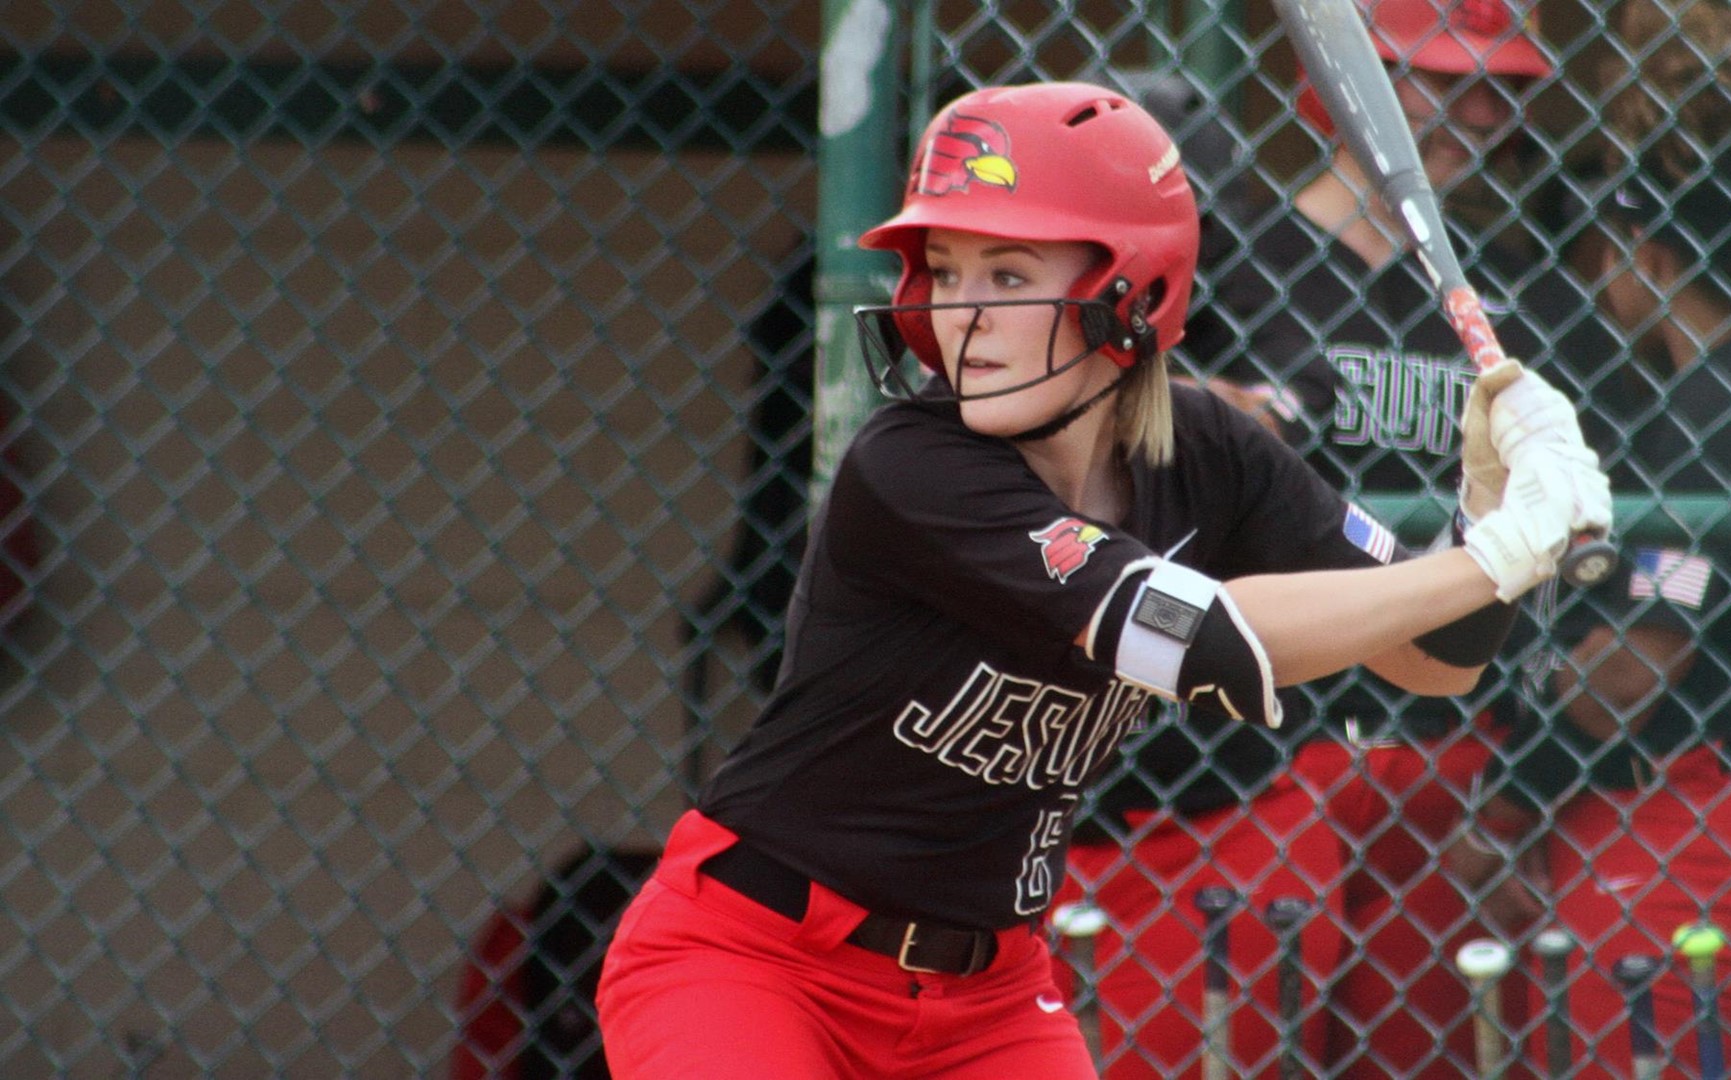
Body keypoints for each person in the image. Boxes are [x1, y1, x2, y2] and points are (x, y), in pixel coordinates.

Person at [593, 79, 1610, 1078]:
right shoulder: (914, 463)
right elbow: (1201, 638)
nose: (963, 317)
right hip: (757, 956)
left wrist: (1484, 503)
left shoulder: (1208, 453)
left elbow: (1438, 664)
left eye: (1006, 276)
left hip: (987, 998)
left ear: (1133, 286)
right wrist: (1492, 556)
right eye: (946, 273)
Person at [1054, 2, 1607, 1076]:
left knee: (1422, 1054)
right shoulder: (1236, 260)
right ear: (1344, 81)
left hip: (1447, 746)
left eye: (1502, 88)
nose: (1478, 113)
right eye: (1441, 82)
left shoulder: (1520, 299)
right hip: (1255, 741)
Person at [1442, 2, 1731, 1076]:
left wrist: (1511, 803)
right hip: (1695, 801)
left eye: (1608, 242)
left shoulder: (1730, 406)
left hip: (1708, 807)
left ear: (1651, 250)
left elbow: (1640, 652)